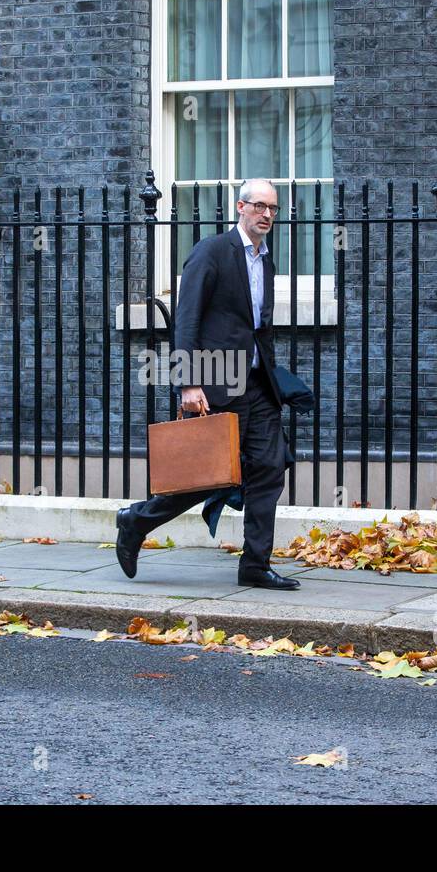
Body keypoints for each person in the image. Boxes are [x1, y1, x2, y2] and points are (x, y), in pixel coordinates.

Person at [114, 178, 299, 591]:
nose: (267, 214)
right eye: (259, 206)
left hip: (257, 385)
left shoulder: (266, 260)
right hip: (217, 380)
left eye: (273, 208)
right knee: (210, 475)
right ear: (240, 207)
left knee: (269, 469)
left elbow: (258, 327)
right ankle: (135, 521)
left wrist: (276, 378)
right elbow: (187, 318)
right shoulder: (211, 252)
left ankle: (255, 564)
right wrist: (188, 383)